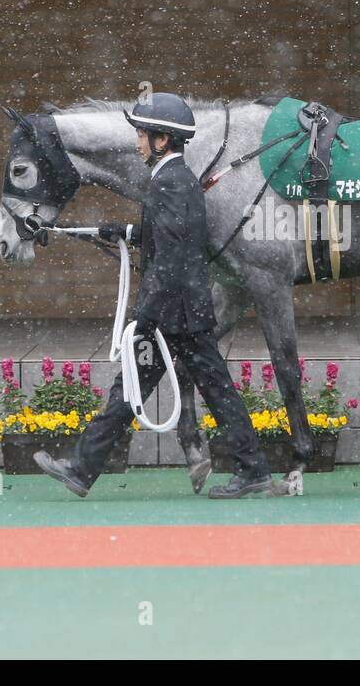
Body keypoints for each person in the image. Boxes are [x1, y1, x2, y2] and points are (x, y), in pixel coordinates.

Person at [33, 93, 281, 499]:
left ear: (163, 140)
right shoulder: (177, 179)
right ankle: (83, 467)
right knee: (157, 389)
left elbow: (172, 255)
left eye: (143, 135)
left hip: (172, 311)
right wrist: (122, 232)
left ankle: (83, 466)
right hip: (183, 309)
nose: (137, 143)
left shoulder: (168, 183)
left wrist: (144, 317)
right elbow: (173, 239)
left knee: (147, 388)